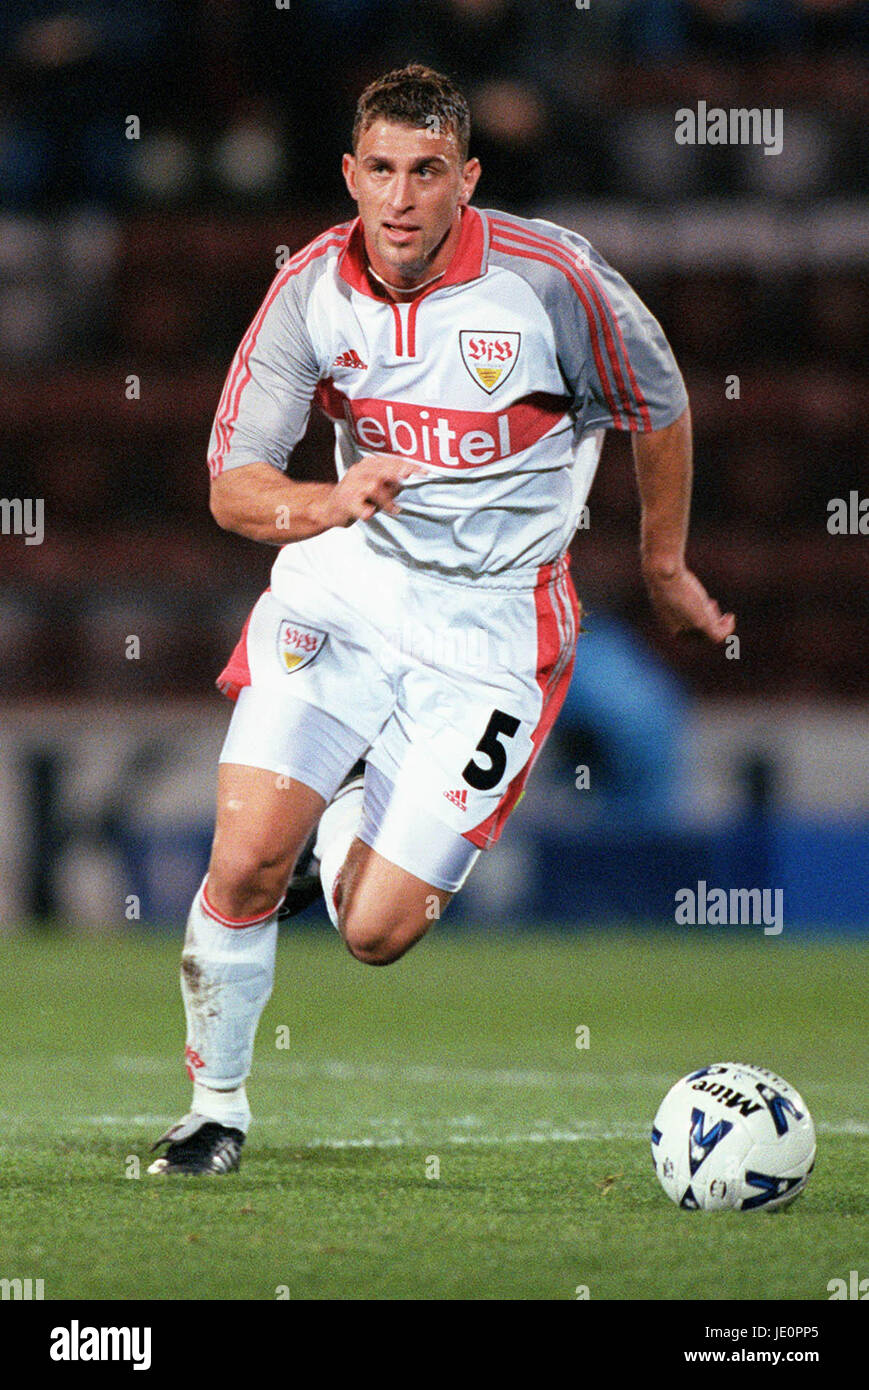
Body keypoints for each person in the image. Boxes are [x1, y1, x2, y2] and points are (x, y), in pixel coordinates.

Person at [147, 64, 734, 1175]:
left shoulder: (551, 283)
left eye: (427, 171)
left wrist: (661, 565)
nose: (401, 197)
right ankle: (213, 1110)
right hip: (345, 591)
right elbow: (233, 486)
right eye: (381, 169)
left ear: (467, 179)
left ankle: (346, 806)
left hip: (494, 630)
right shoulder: (309, 291)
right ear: (348, 174)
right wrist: (325, 504)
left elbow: (656, 403)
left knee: (375, 932)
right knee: (244, 862)